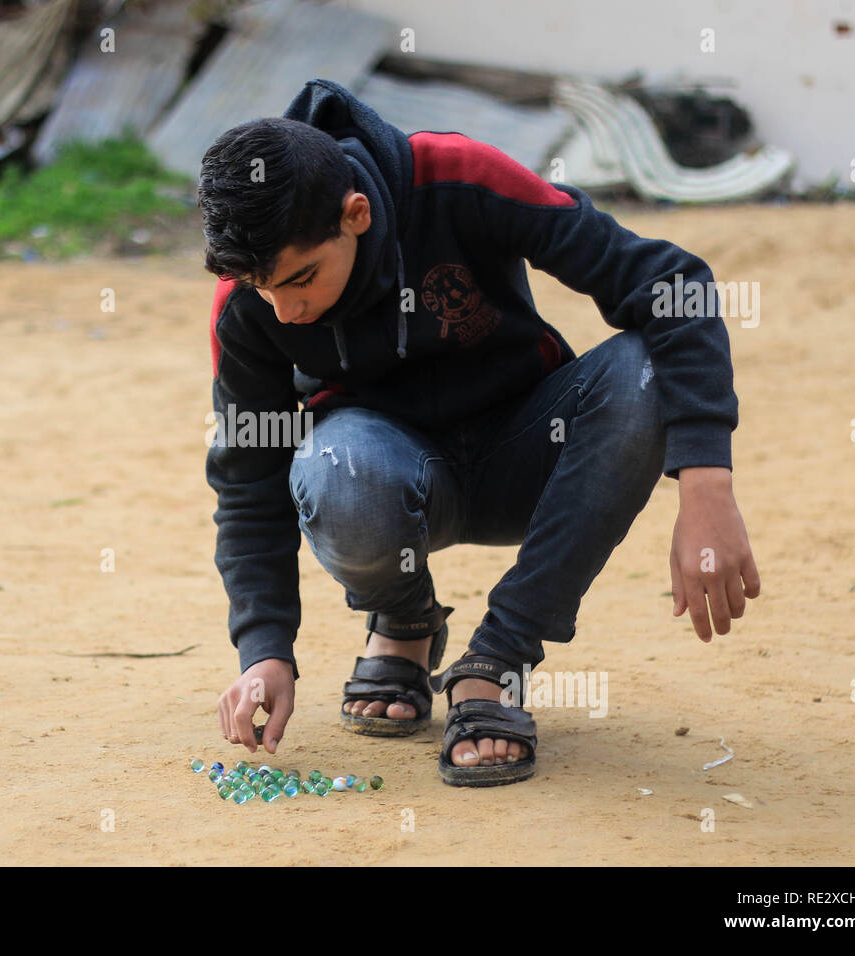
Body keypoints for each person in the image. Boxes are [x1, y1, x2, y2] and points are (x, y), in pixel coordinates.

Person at [201, 78, 761, 786]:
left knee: (642, 371)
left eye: (301, 278)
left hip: (526, 457)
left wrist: (706, 481)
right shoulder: (249, 303)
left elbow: (673, 285)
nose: (284, 311)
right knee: (334, 464)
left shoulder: (460, 177)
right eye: (263, 289)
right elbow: (249, 482)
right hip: (387, 479)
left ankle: (498, 658)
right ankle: (403, 624)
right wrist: (264, 653)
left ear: (356, 213)